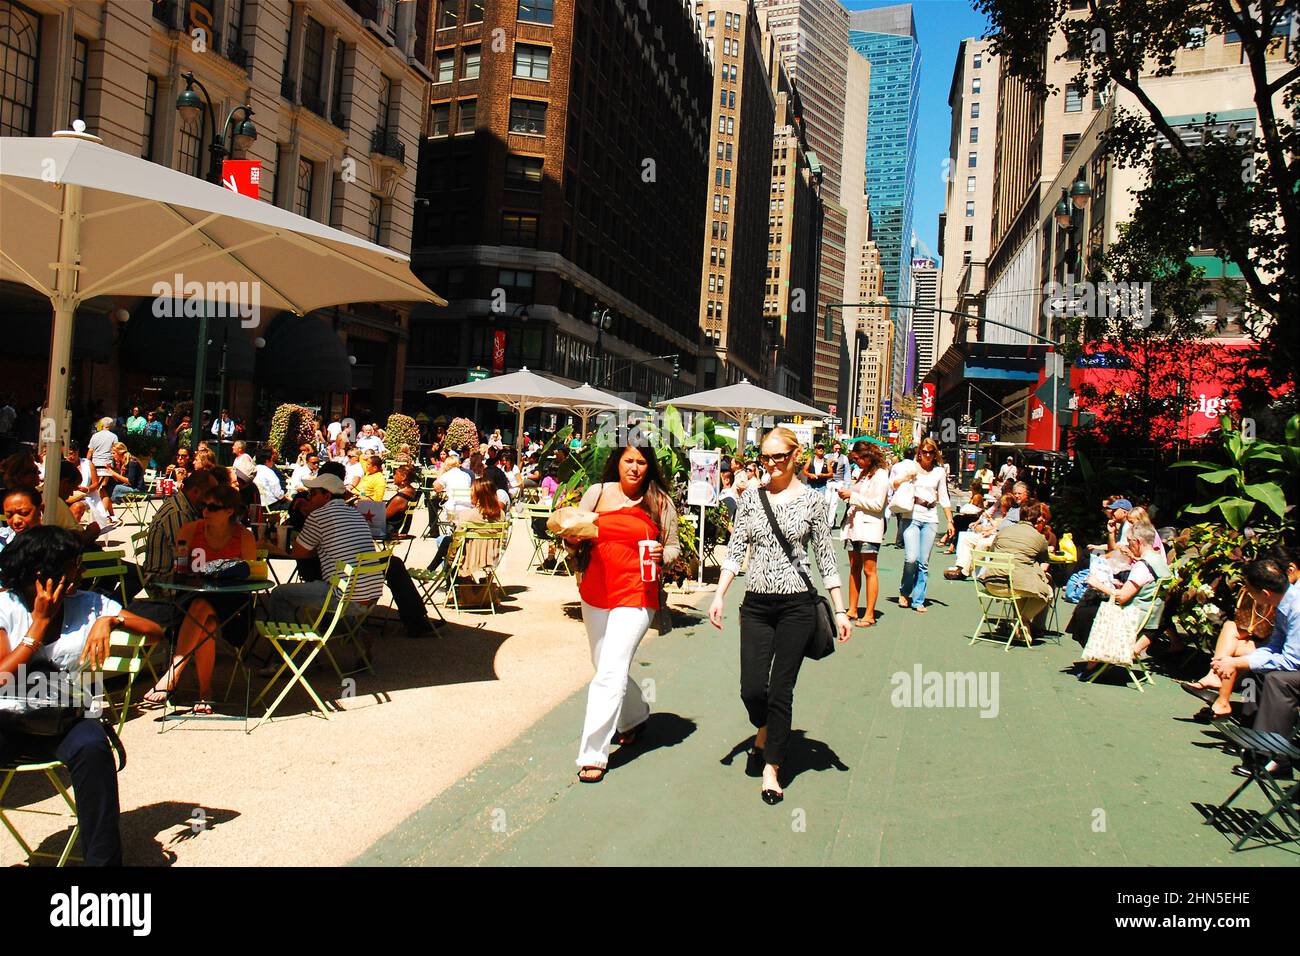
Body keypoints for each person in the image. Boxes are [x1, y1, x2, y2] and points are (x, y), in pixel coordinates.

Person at [0, 526, 165, 865]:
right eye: (74, 565)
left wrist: (111, 619)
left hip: (68, 717)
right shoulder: (6, 606)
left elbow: (155, 633)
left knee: (93, 748)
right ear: (43, 573)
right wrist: (38, 626)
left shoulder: (90, 604)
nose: (81, 571)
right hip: (9, 719)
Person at [710, 426, 851, 805]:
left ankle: (773, 766)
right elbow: (736, 550)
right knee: (752, 689)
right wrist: (720, 594)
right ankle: (767, 728)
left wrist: (840, 609)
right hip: (756, 604)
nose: (770, 464)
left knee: (781, 688)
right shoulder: (752, 500)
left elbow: (826, 559)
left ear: (795, 456)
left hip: (796, 607)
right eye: (765, 457)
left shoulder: (812, 502)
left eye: (778, 457)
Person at [561, 435, 680, 784]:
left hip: (637, 594)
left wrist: (663, 554)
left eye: (641, 462)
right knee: (603, 665)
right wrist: (570, 540)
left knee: (610, 671)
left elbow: (673, 548)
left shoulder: (659, 501)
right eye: (629, 460)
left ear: (648, 467)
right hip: (595, 592)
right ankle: (635, 715)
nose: (634, 468)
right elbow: (574, 535)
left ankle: (593, 754)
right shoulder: (597, 494)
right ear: (618, 461)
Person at [142, 483, 257, 713]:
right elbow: (180, 570)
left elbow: (250, 579)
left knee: (204, 611)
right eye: (204, 506)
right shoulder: (190, 531)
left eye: (213, 507)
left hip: (233, 606)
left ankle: (176, 673)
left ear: (229, 511)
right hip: (191, 599)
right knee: (207, 620)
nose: (206, 511)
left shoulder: (243, 537)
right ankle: (205, 694)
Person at [1181, 552, 1297, 719]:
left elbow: (1291, 660)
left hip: (1292, 666)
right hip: (1280, 651)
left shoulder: (1296, 607)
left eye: (1250, 590)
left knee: (1262, 671)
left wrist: (1238, 662)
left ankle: (1228, 704)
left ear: (1265, 593)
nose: (1249, 594)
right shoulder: (1282, 603)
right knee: (1233, 636)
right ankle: (1234, 706)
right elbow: (1276, 645)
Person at [261, 474, 385, 625]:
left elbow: (299, 553)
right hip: (371, 596)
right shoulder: (355, 513)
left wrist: (267, 546)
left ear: (327, 495)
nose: (309, 498)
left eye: (312, 493)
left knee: (279, 594)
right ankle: (346, 629)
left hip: (345, 597)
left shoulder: (320, 516)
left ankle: (286, 647)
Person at [893, 437, 954, 612]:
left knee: (923, 561)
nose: (928, 455)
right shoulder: (911, 467)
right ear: (919, 451)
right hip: (911, 515)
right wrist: (906, 477)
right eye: (925, 451)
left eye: (931, 452)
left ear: (935, 454)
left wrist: (950, 521)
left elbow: (944, 497)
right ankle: (905, 591)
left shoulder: (939, 472)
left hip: (930, 517)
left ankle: (918, 599)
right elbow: (894, 484)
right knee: (911, 558)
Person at [979, 502, 1055, 636]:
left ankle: (1020, 624)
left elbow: (992, 553)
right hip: (1013, 585)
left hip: (992, 582)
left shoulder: (1004, 531)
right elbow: (1044, 558)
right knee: (1047, 592)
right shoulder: (1038, 537)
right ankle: (1022, 620)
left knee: (1024, 582)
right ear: (1037, 519)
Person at [839, 442, 888, 627]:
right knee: (854, 567)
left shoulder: (881, 475)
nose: (857, 461)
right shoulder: (863, 473)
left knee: (869, 570)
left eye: (859, 458)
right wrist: (848, 495)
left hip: (869, 528)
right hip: (854, 526)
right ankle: (852, 608)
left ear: (869, 456)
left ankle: (869, 614)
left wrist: (852, 496)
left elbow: (877, 504)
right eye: (855, 459)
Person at [385, 464, 421, 538]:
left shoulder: (400, 499)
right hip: (397, 528)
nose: (394, 476)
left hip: (389, 530)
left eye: (396, 474)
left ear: (403, 477)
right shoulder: (412, 492)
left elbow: (382, 517)